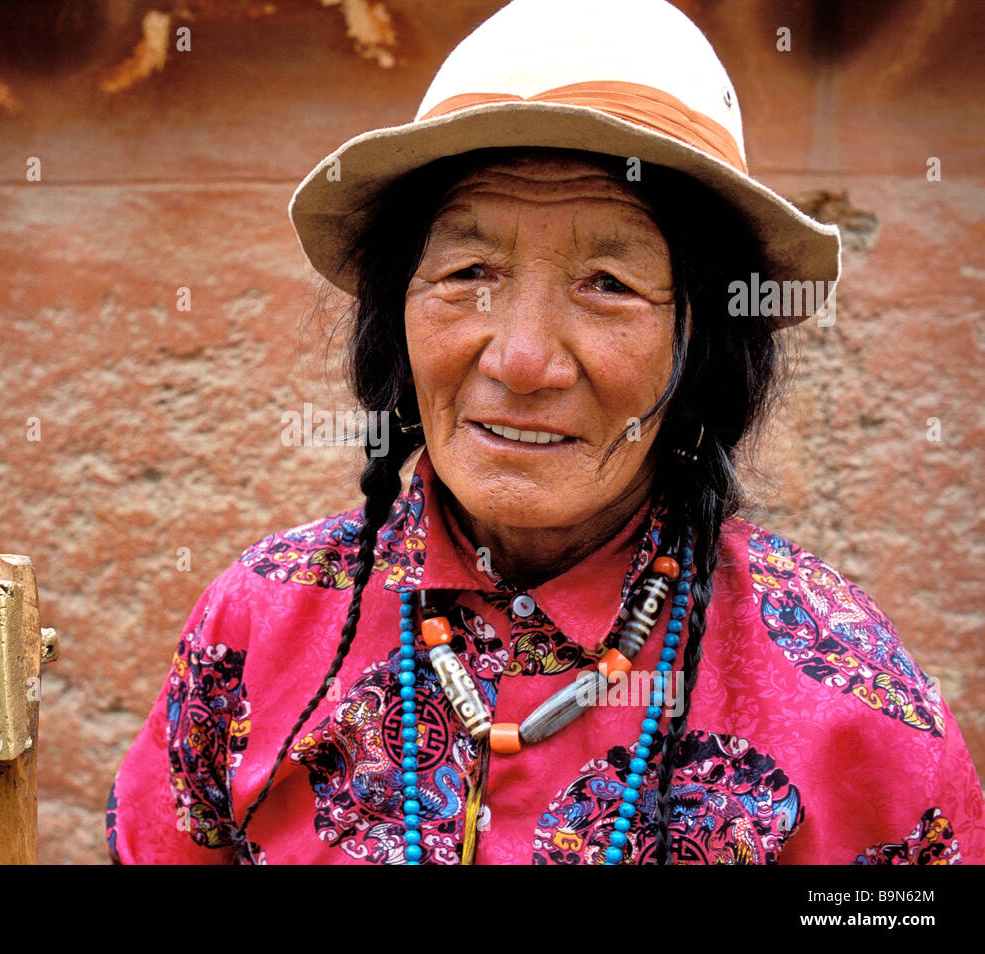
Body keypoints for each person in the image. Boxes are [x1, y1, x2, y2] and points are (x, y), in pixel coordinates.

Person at [105, 0, 985, 864]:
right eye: (469, 271)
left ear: (702, 352)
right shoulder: (260, 625)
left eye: (606, 282)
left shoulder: (843, 693)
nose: (522, 361)